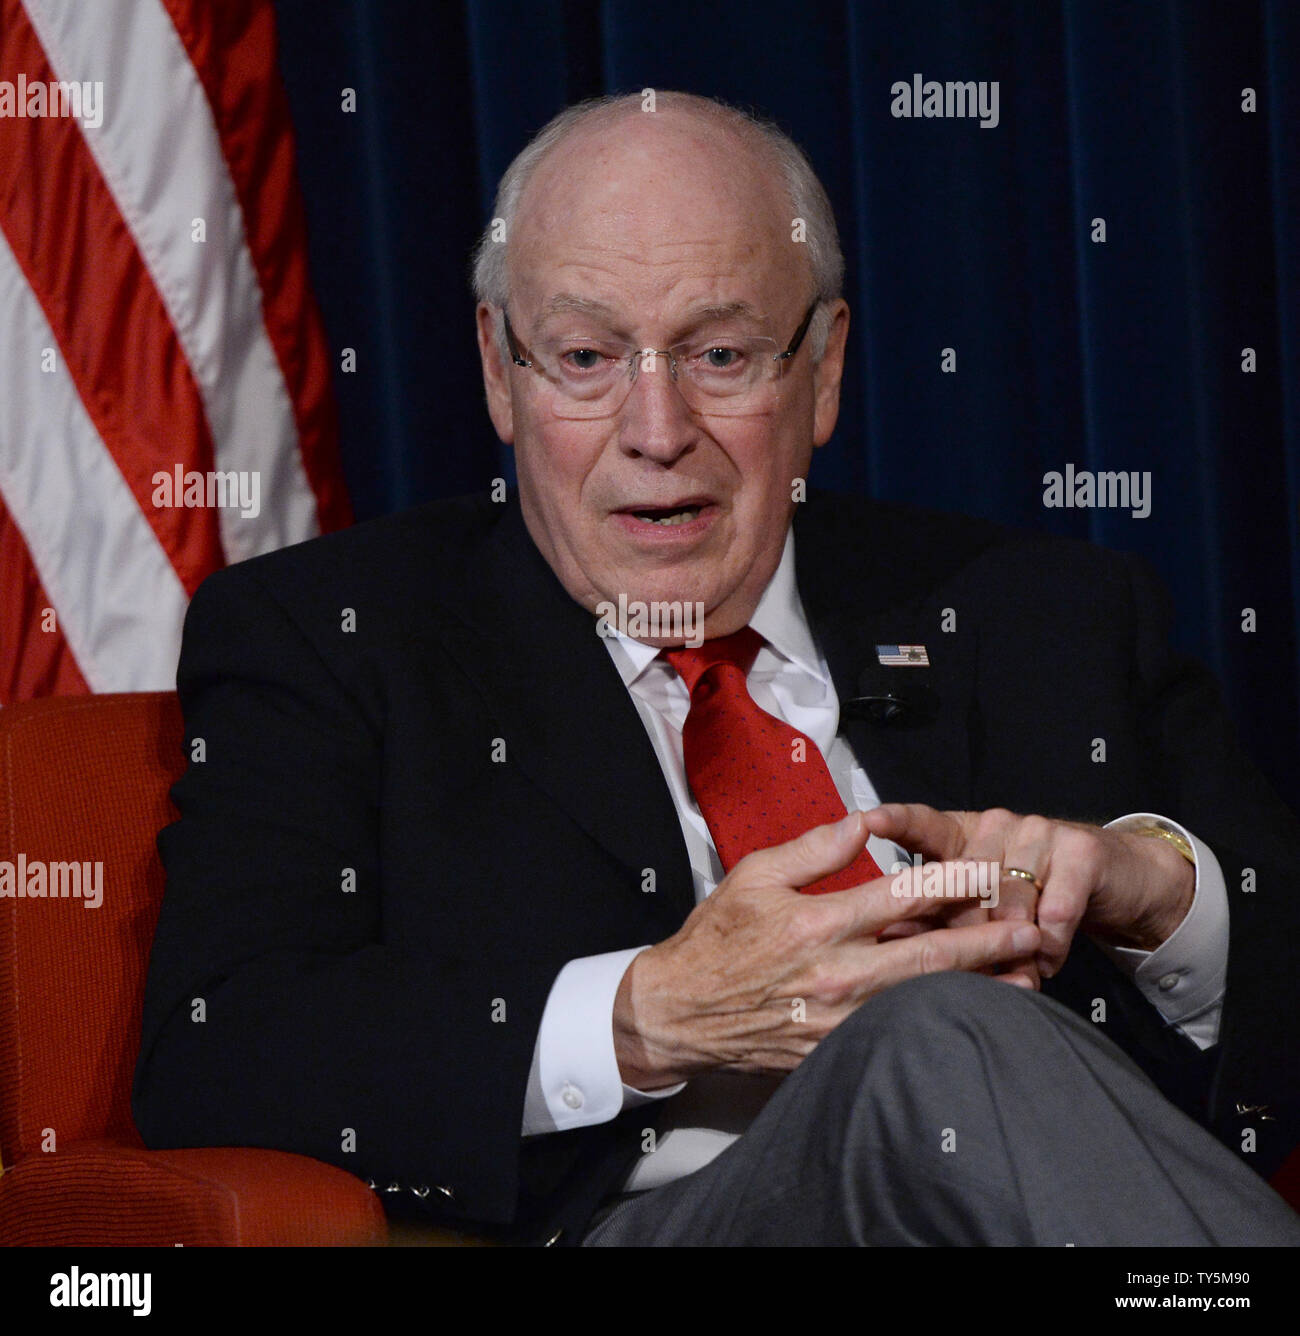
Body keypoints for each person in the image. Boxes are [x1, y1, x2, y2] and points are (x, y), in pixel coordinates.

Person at [133, 91, 1300, 1246]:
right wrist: (649, 1017)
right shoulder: (329, 636)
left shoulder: (1045, 611)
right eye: (585, 356)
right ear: (499, 369)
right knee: (934, 1033)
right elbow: (217, 1043)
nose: (655, 427)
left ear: (825, 367)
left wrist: (1162, 900)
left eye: (722, 354)